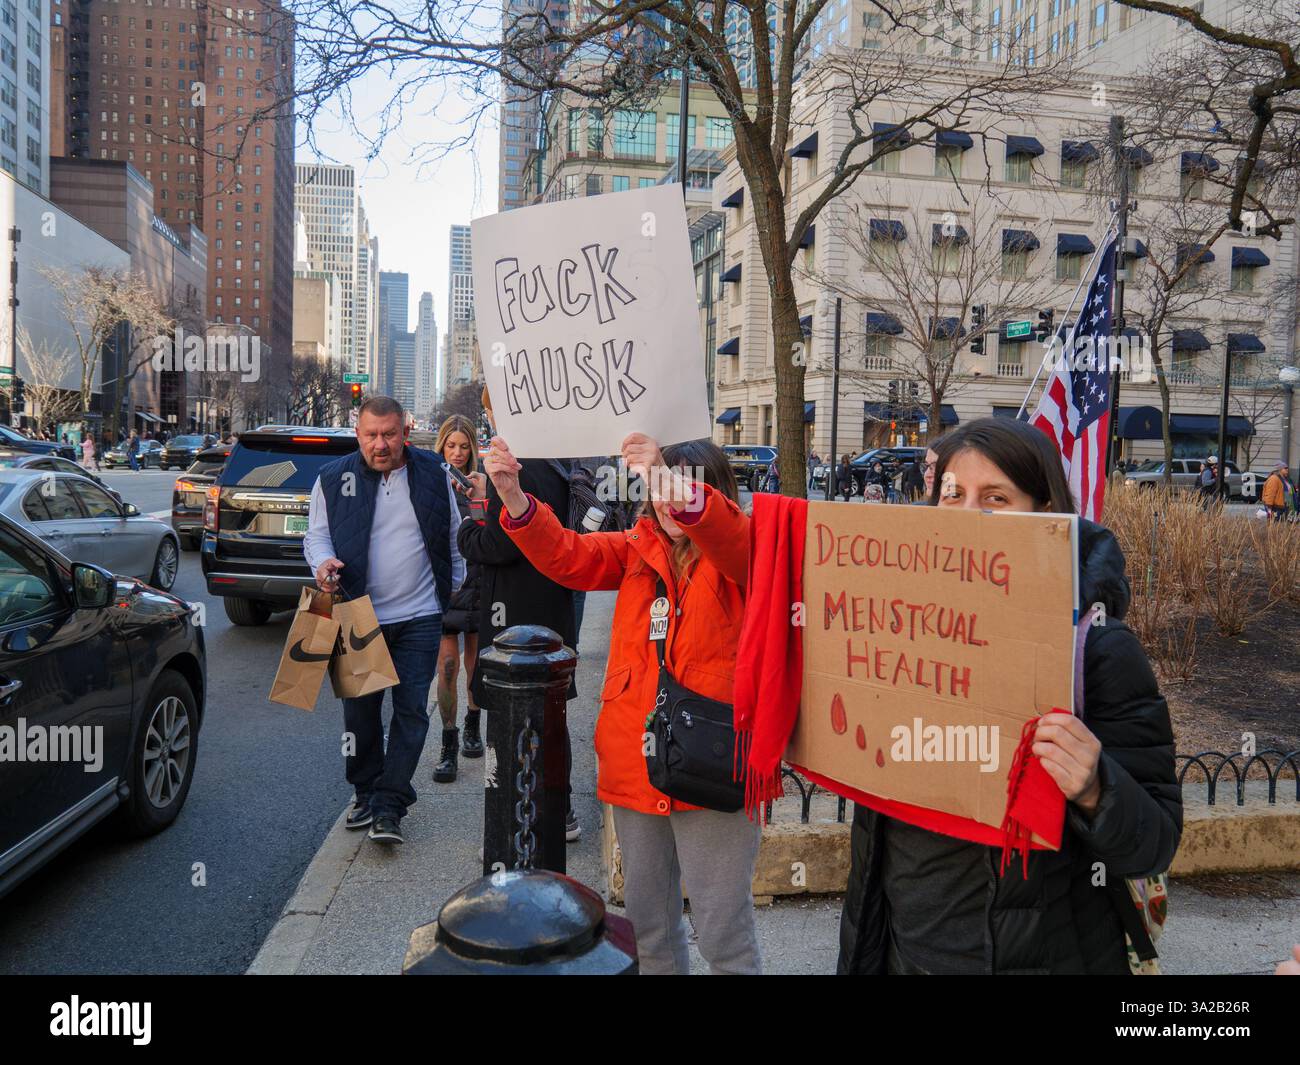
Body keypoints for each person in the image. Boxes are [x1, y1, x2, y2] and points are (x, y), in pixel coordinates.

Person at [838, 417, 1181, 974]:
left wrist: (1096, 788)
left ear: (1044, 513)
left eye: (996, 497)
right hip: (903, 950)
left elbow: (1154, 843)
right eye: (954, 495)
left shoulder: (1098, 652)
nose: (971, 516)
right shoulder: (893, 628)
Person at [485, 430, 763, 974]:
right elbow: (567, 556)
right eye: (658, 487)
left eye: (682, 487)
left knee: (724, 934)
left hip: (715, 766)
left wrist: (668, 480)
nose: (667, 500)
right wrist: (514, 498)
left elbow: (733, 538)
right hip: (638, 762)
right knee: (649, 930)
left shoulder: (745, 555)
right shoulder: (636, 549)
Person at [303, 395, 465, 846]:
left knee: (412, 711)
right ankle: (365, 791)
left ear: (405, 432)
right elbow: (315, 537)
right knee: (361, 714)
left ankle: (390, 806)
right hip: (357, 613)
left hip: (419, 615)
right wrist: (322, 563)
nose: (381, 444)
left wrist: (450, 592)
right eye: (372, 435)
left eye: (389, 434)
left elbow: (453, 537)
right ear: (358, 434)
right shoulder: (333, 479)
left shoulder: (433, 473)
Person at [459, 386, 581, 840]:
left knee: (509, 721)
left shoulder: (511, 468)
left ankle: (514, 815)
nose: (490, 422)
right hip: (550, 602)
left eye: (491, 412)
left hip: (513, 608)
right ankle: (559, 810)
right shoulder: (552, 460)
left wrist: (468, 531)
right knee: (551, 717)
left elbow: (500, 543)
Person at [430, 415, 483, 784]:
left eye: (464, 446)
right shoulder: (432, 481)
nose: (459, 453)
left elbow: (493, 527)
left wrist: (477, 498)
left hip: (479, 579)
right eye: (452, 446)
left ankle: (473, 726)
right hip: (446, 582)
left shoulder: (483, 482)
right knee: (447, 665)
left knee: (476, 663)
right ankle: (447, 743)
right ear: (442, 447)